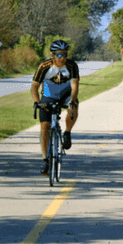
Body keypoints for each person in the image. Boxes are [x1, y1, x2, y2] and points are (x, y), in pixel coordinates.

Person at [31, 39, 80, 175]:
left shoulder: (72, 66)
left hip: (66, 95)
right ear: (52, 55)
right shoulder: (44, 66)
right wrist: (37, 102)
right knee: (44, 127)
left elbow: (75, 86)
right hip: (48, 96)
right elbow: (34, 86)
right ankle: (45, 160)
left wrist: (72, 100)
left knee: (74, 105)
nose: (62, 58)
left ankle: (67, 133)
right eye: (59, 54)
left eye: (65, 54)